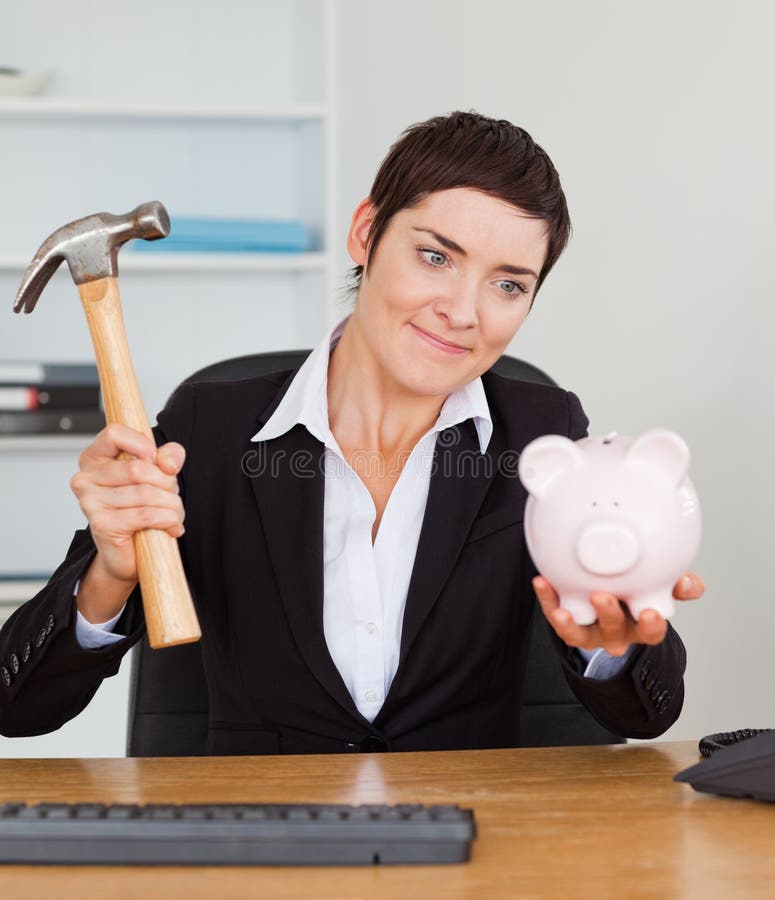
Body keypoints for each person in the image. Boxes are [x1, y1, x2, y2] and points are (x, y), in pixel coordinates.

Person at [0, 111, 703, 753]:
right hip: (257, 845)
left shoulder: (543, 435)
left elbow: (646, 716)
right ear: (365, 233)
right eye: (436, 256)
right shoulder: (205, 431)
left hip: (471, 845)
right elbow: (18, 706)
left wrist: (608, 642)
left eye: (508, 284)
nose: (462, 311)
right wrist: (110, 574)